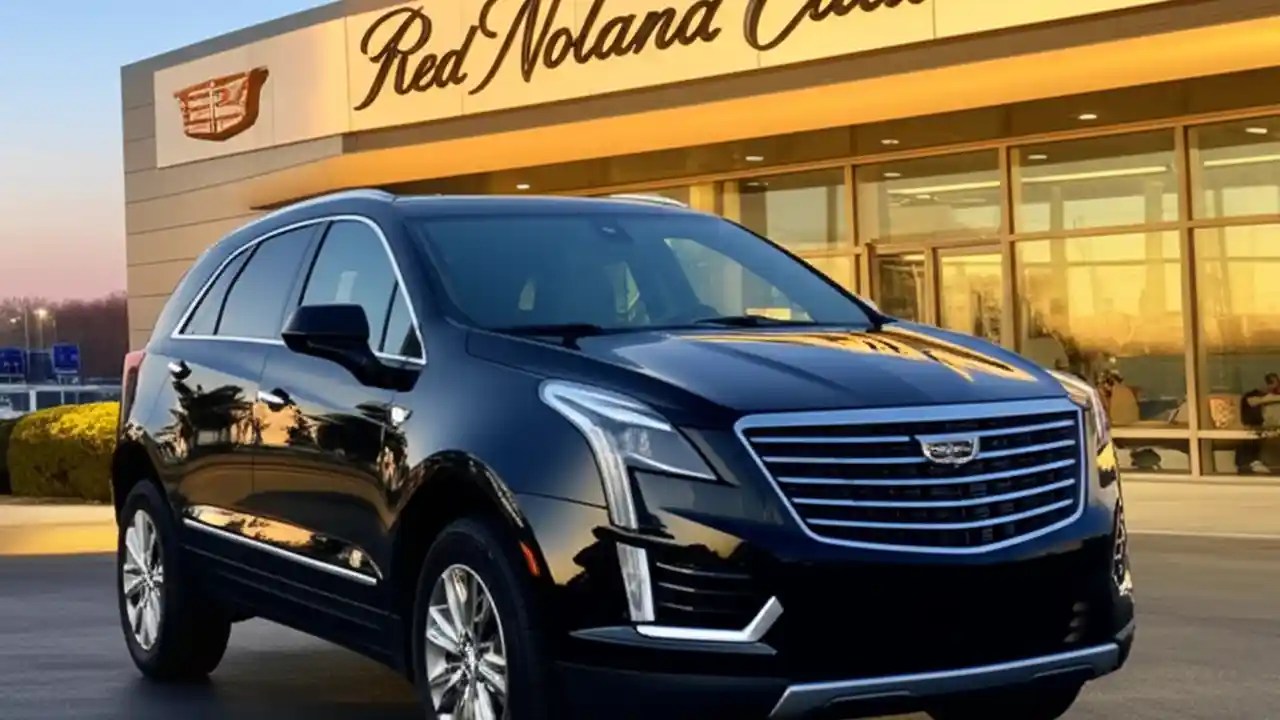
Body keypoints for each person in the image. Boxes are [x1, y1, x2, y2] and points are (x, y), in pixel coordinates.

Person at [1238, 373, 1280, 474]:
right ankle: (1251, 463)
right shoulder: (1252, 397)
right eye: (1273, 384)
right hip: (1253, 427)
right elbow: (1252, 403)